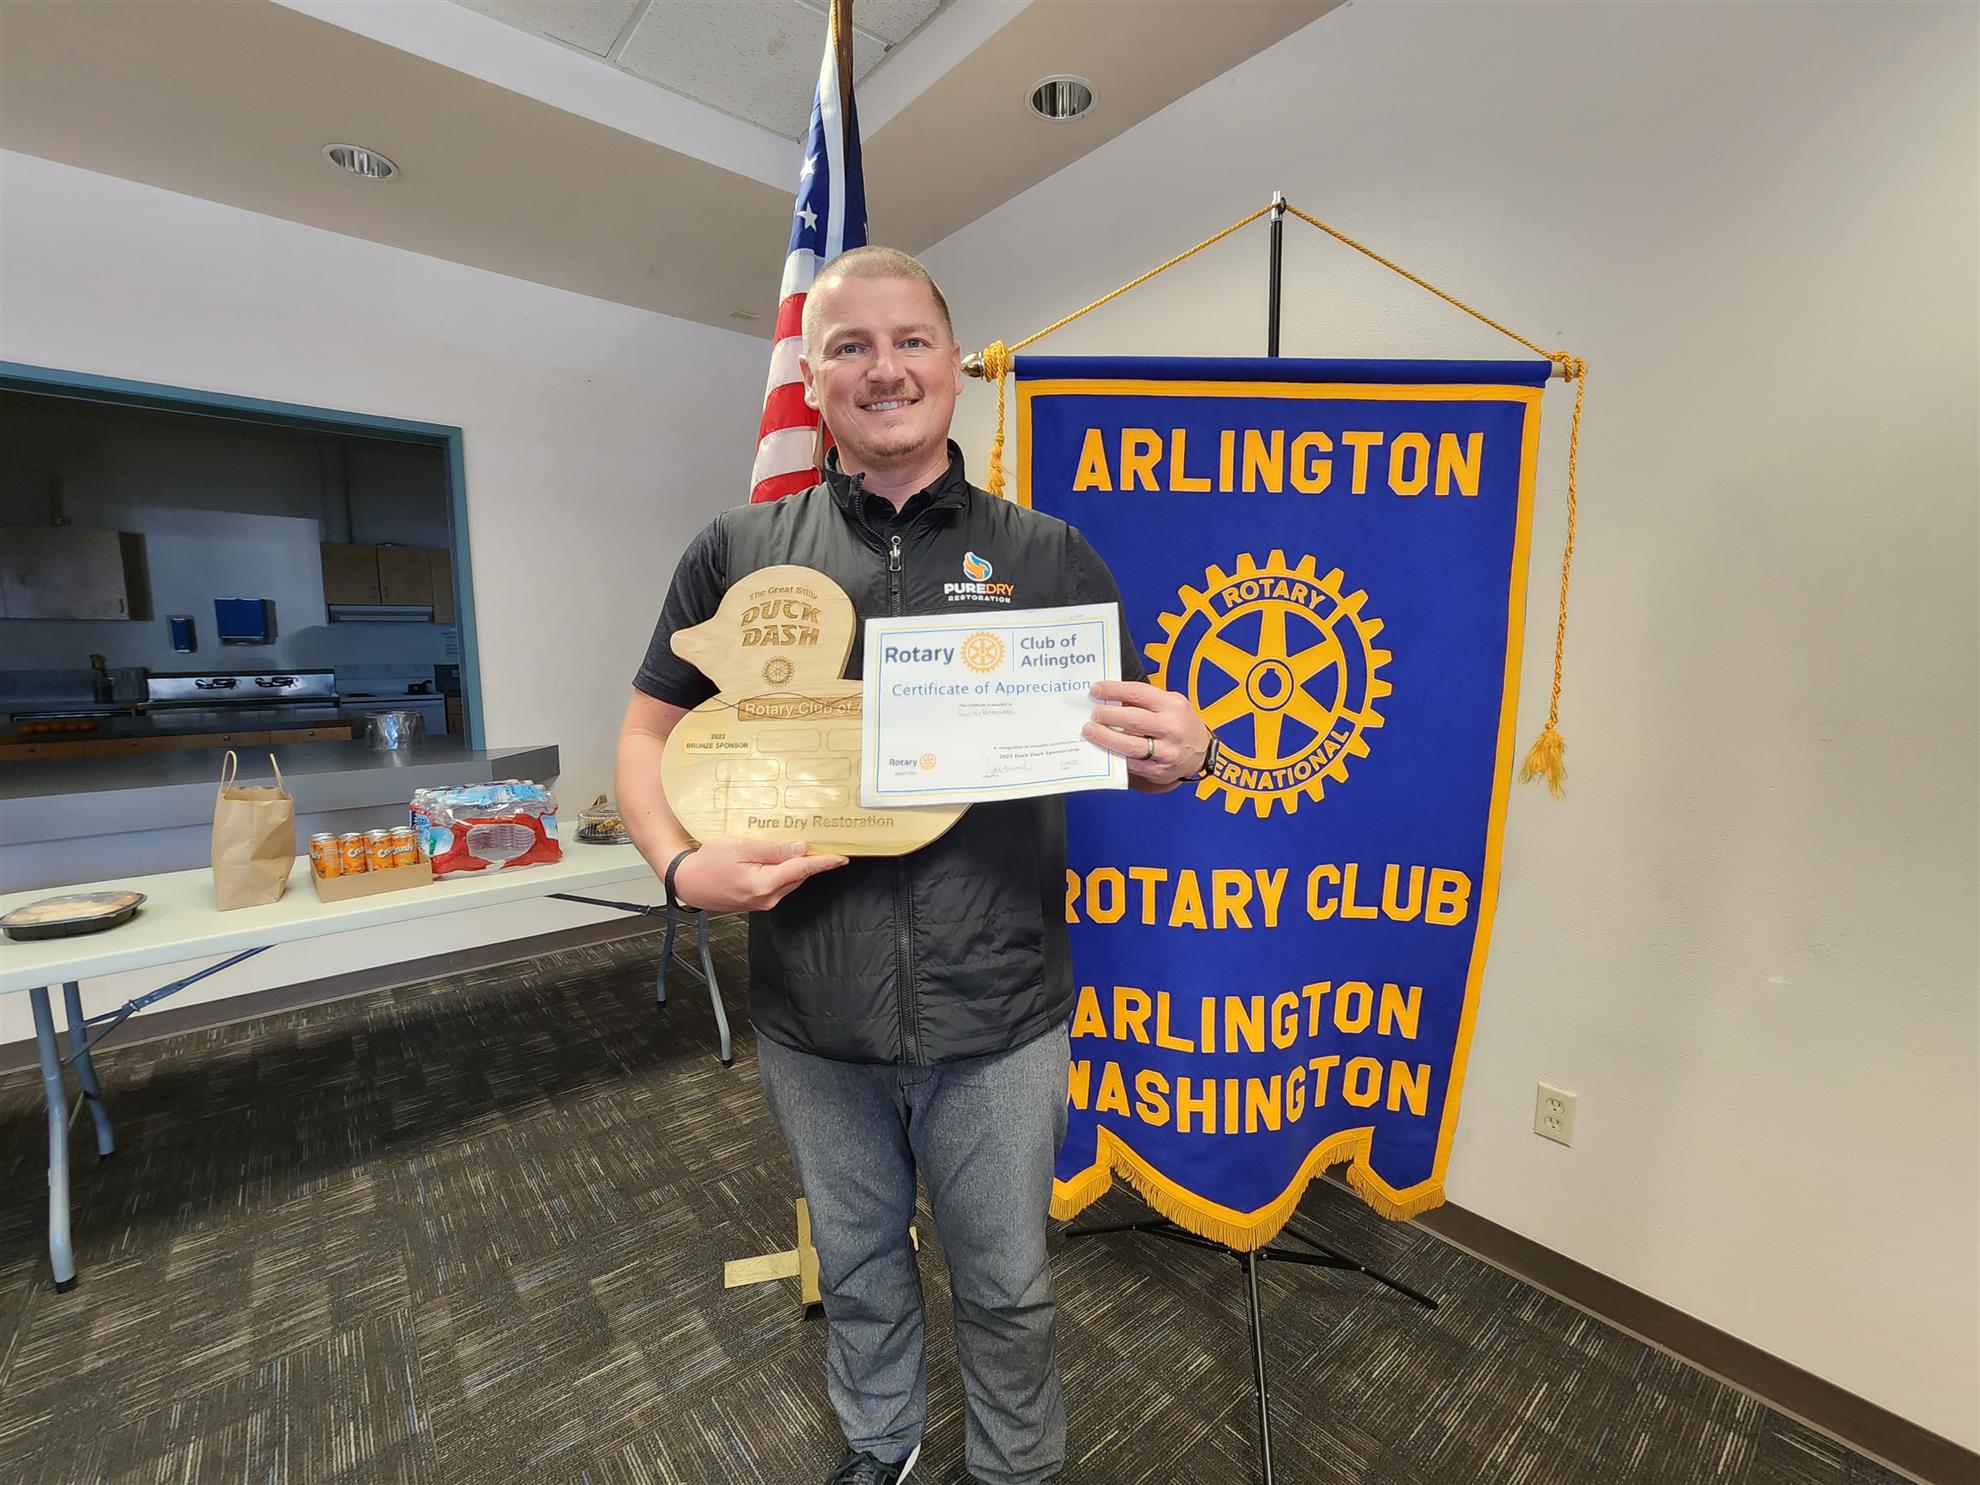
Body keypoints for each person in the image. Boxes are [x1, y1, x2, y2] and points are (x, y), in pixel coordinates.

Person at [617, 246, 1211, 1485]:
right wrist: (678, 870)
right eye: (849, 346)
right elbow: (647, 732)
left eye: (911, 341)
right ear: (814, 381)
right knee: (862, 1266)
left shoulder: (1049, 555)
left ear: (956, 366)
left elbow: (1130, 737)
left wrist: (1180, 752)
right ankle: (880, 1448)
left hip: (998, 1011)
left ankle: (1016, 1469)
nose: (884, 368)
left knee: (1005, 1284)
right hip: (813, 1012)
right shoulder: (738, 550)